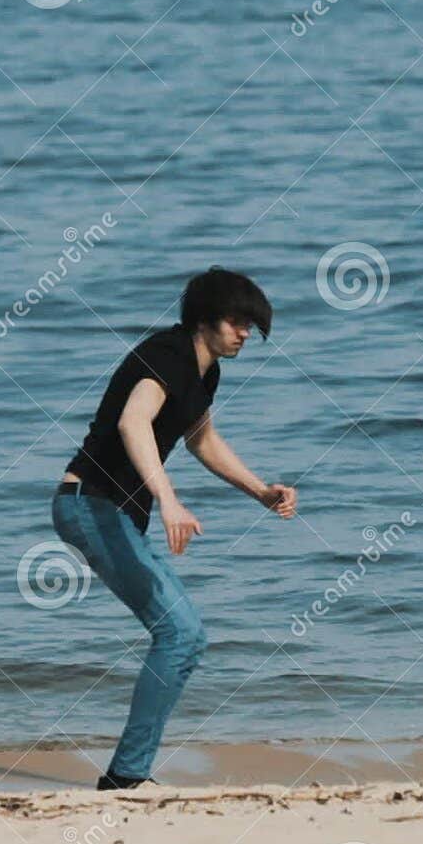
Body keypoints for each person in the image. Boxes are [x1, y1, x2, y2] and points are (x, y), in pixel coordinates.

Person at [51, 267, 297, 790]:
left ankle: (127, 775)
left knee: (184, 636)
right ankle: (126, 779)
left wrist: (260, 491)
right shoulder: (165, 355)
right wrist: (169, 501)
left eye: (250, 325)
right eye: (236, 322)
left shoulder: (204, 371)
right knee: (179, 632)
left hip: (112, 512)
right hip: (89, 504)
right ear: (204, 319)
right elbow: (133, 421)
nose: (245, 333)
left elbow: (201, 440)